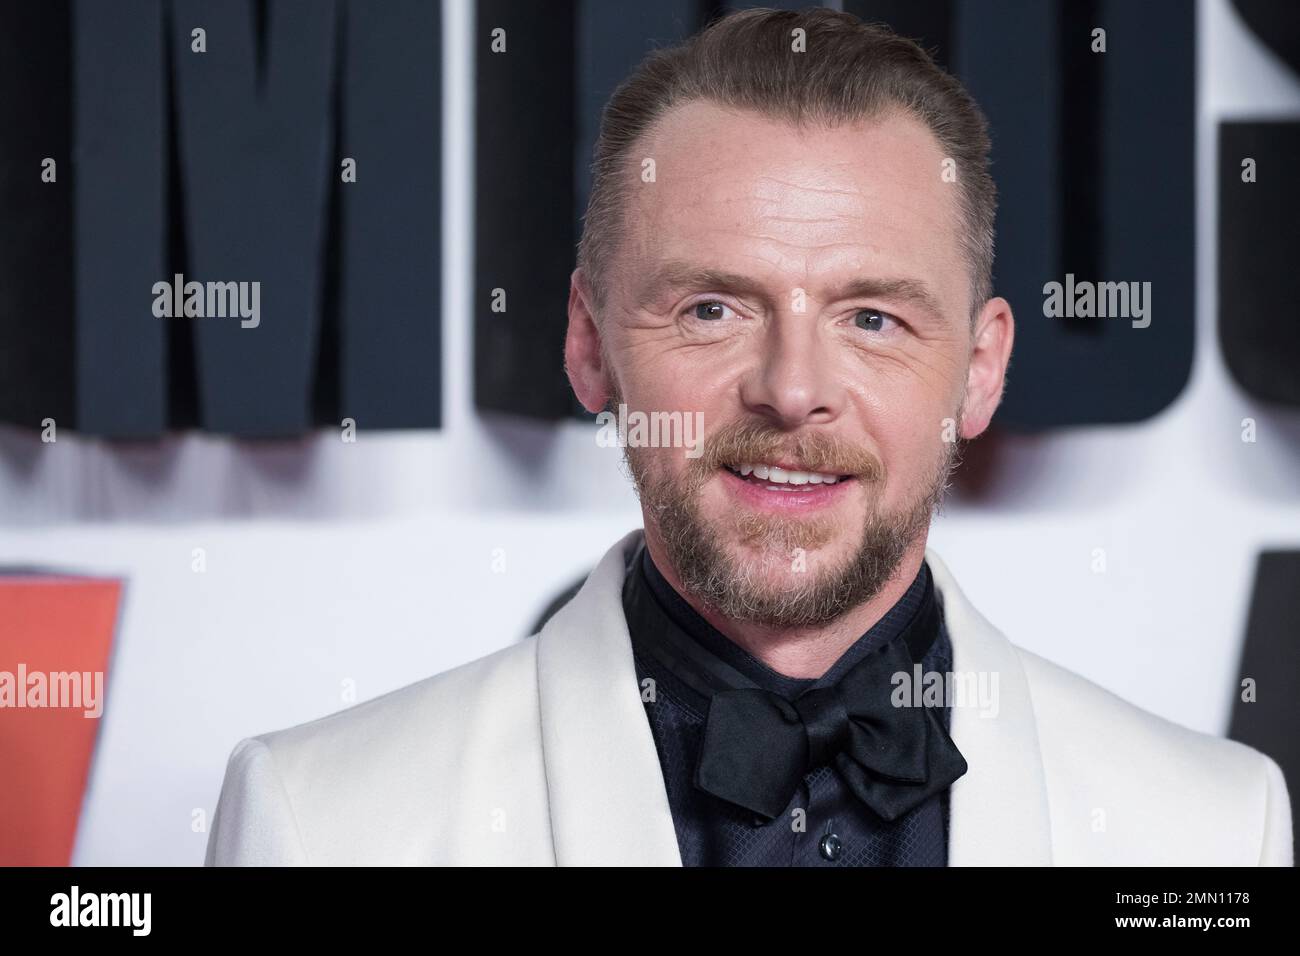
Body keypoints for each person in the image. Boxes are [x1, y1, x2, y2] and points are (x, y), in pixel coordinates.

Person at [206, 8, 1292, 866]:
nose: (791, 390)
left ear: (980, 367)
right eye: (711, 308)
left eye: (872, 317)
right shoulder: (322, 823)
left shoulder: (1209, 828)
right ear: (588, 343)